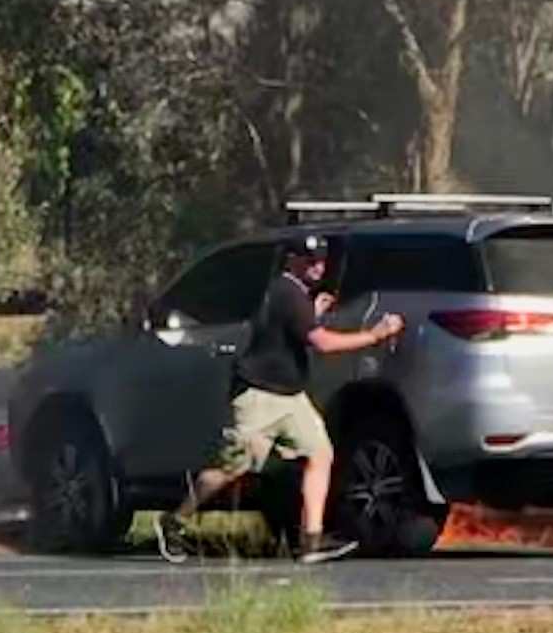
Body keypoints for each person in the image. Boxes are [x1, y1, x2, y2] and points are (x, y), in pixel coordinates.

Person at [156, 235, 403, 565]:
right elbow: (322, 343)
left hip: (291, 396)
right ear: (292, 261)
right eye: (309, 260)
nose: (317, 266)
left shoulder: (295, 296)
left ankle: (311, 541)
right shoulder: (287, 291)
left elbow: (292, 328)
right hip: (259, 396)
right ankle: (175, 521)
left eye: (320, 260)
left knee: (320, 453)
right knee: (232, 467)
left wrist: (312, 312)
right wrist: (375, 335)